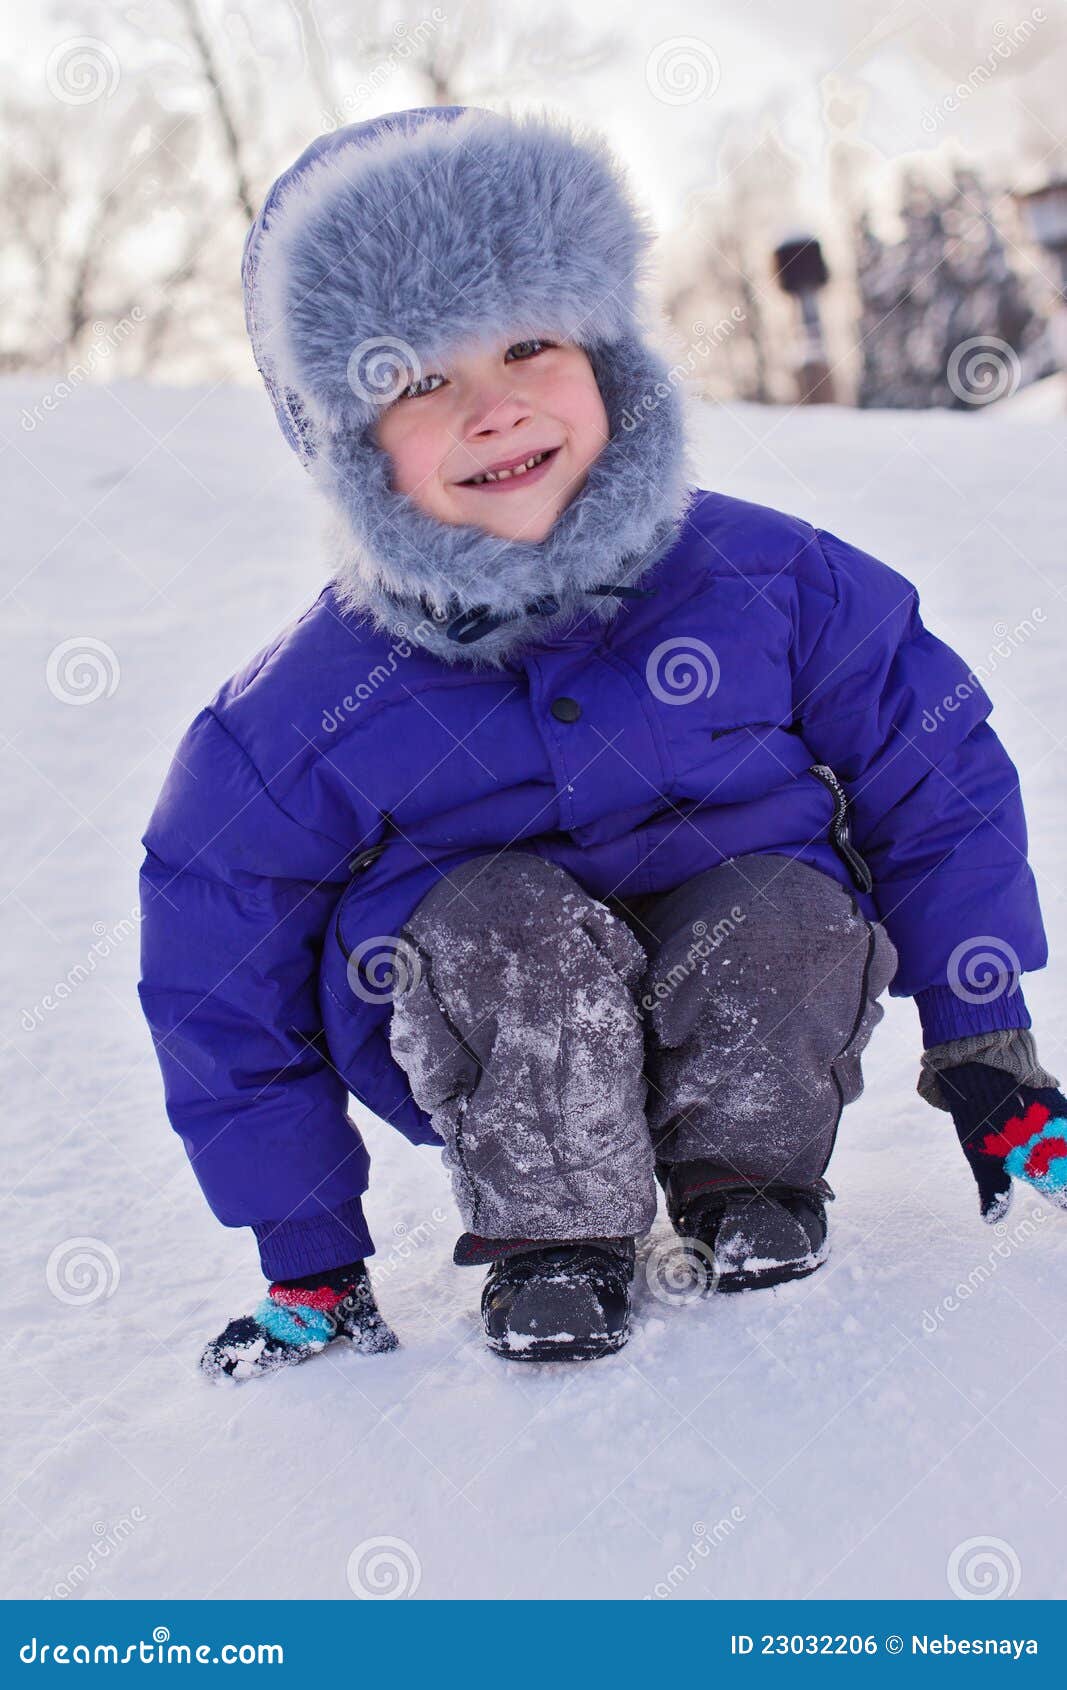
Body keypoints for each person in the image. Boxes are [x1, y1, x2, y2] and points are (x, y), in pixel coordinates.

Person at [136, 106, 1066, 1381]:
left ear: (607, 355)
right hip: (490, 1035)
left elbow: (932, 774)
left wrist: (984, 1044)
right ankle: (552, 1231)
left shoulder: (770, 580)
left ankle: (744, 1174)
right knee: (497, 925)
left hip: (756, 1015)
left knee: (781, 910)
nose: (496, 407)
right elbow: (214, 958)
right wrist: (309, 1255)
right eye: (418, 379)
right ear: (344, 442)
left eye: (529, 342)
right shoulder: (309, 704)